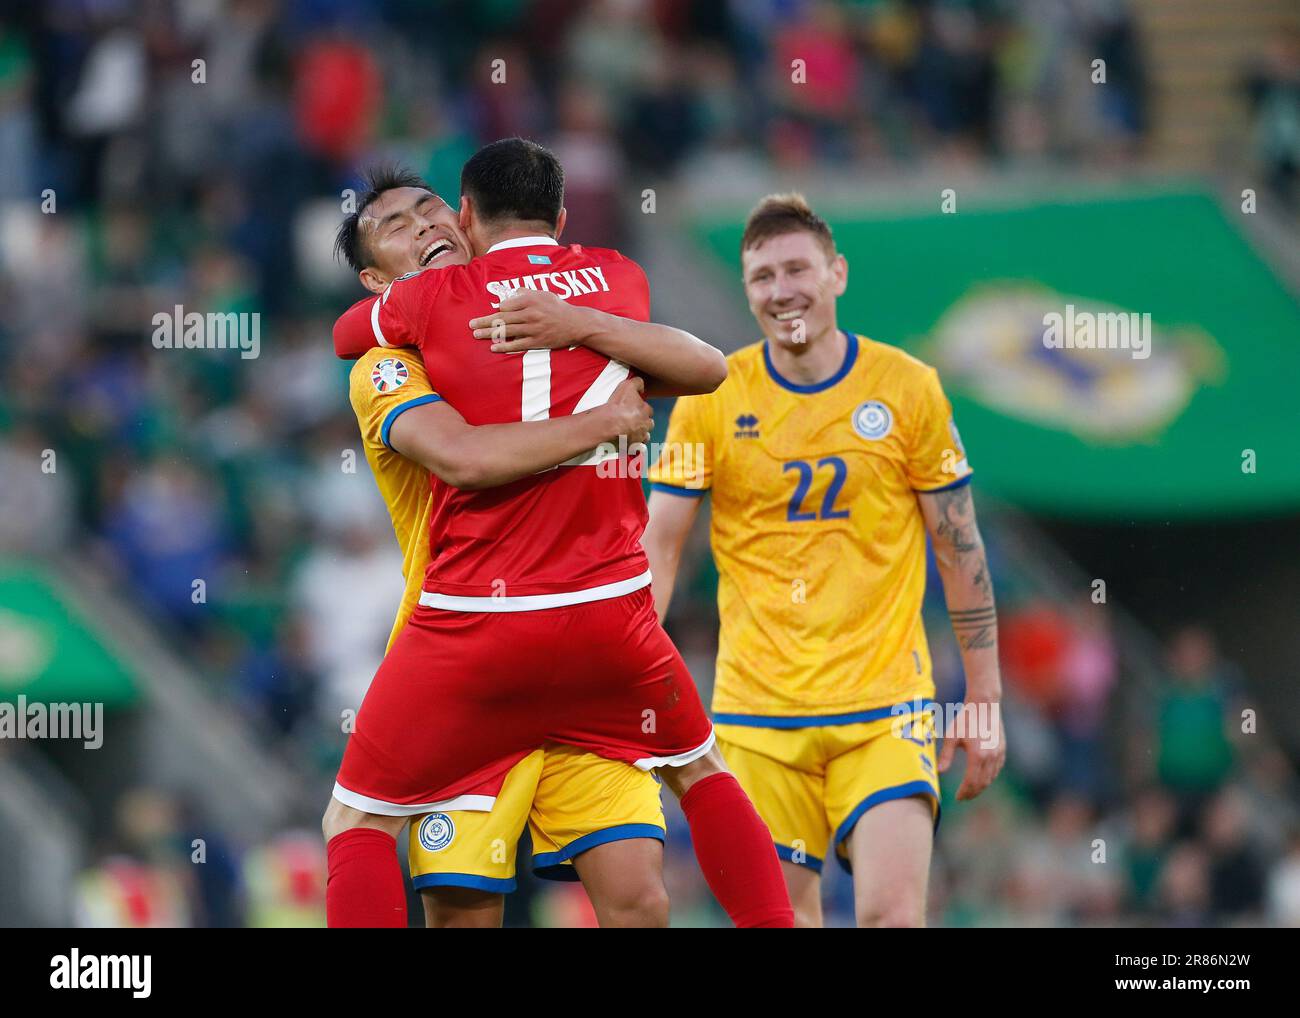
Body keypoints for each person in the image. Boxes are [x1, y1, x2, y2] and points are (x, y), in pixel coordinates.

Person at [325, 146, 793, 929]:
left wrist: (583, 322)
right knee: (464, 914)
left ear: (466, 217)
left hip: (535, 642)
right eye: (396, 228)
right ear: (377, 280)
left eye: (431, 207)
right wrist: (602, 421)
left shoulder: (553, 315)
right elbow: (464, 457)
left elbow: (707, 366)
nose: (423, 225)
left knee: (639, 899)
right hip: (471, 669)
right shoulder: (385, 366)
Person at [640, 193, 1006, 926]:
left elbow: (958, 545)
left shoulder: (908, 388)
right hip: (756, 714)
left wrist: (984, 696)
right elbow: (659, 545)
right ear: (746, 293)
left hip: (887, 706)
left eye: (797, 269)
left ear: (837, 273)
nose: (782, 291)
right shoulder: (710, 396)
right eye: (762, 278)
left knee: (890, 916)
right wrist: (628, 680)